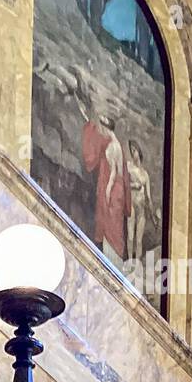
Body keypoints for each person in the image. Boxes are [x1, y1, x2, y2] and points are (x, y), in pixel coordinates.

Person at [72, 75, 131, 261]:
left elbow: (114, 173)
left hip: (113, 189)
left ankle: (112, 257)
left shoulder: (112, 146)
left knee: (110, 224)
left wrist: (106, 193)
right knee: (111, 224)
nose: (102, 130)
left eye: (103, 127)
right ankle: (112, 255)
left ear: (108, 128)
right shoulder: (114, 143)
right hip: (116, 189)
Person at [126, 139, 156, 260]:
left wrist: (153, 216)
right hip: (131, 205)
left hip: (142, 208)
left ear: (139, 151)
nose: (133, 153)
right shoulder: (128, 167)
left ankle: (137, 263)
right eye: (131, 151)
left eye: (134, 150)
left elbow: (148, 197)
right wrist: (134, 186)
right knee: (130, 236)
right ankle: (129, 260)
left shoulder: (145, 174)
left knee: (139, 240)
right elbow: (123, 184)